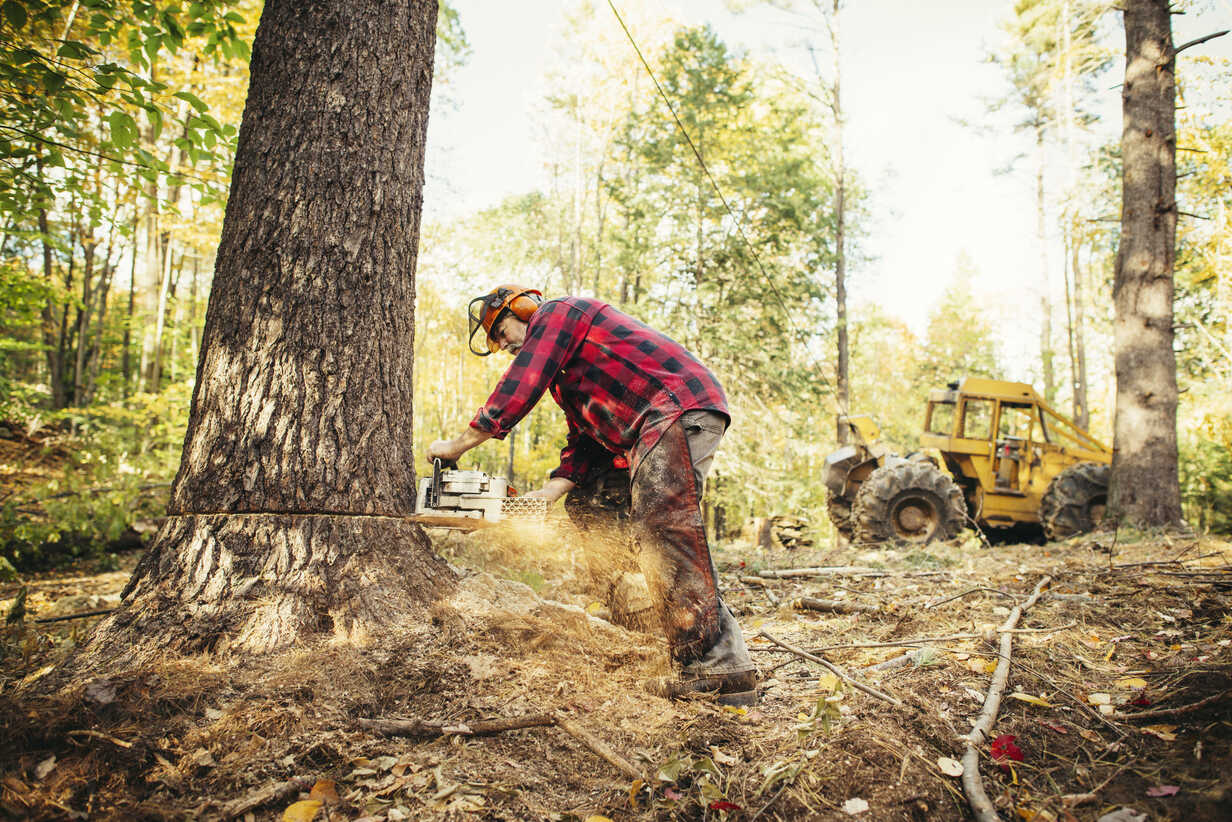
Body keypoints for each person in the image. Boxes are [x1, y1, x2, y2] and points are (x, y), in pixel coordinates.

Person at [427, 285, 757, 705]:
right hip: (640, 429)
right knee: (589, 504)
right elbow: (584, 443)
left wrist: (459, 444)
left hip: (672, 408)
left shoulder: (560, 314)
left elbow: (522, 382)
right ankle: (645, 625)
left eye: (501, 330)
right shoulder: (569, 381)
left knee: (663, 526)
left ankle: (720, 669)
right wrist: (545, 494)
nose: (502, 343)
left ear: (523, 310)